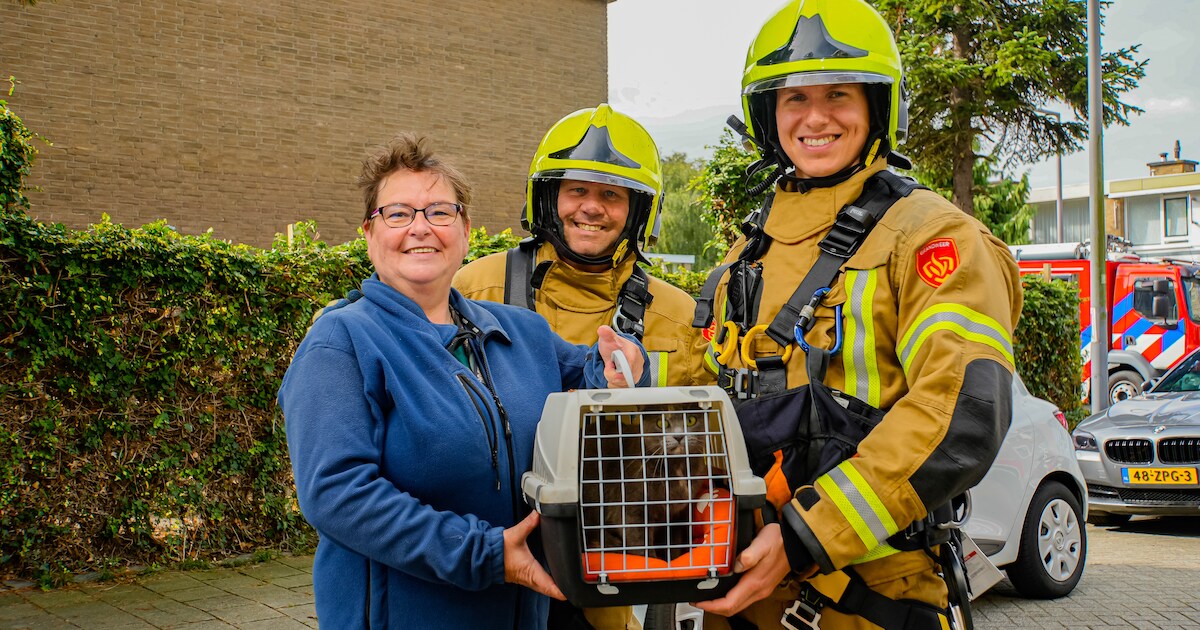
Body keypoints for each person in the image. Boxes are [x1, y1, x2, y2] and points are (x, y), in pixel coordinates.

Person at [690, 1, 1023, 628]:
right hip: (739, 584)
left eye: (838, 94)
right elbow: (722, 390)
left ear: (877, 106)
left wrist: (808, 534)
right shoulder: (749, 245)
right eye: (793, 98)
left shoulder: (933, 237)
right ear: (769, 114)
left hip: (869, 596)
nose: (815, 117)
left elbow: (962, 411)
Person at [278, 133, 648, 629]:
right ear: (369, 233)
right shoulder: (342, 342)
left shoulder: (521, 331)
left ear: (466, 230)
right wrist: (486, 554)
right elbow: (337, 493)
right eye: (398, 213)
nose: (420, 228)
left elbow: (595, 372)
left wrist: (624, 362)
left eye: (439, 212)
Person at [453, 104, 713, 630]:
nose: (591, 208)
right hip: (495, 561)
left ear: (639, 211)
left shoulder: (679, 317)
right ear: (547, 197)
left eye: (611, 195)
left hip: (616, 574)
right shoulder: (473, 288)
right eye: (577, 190)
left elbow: (704, 451)